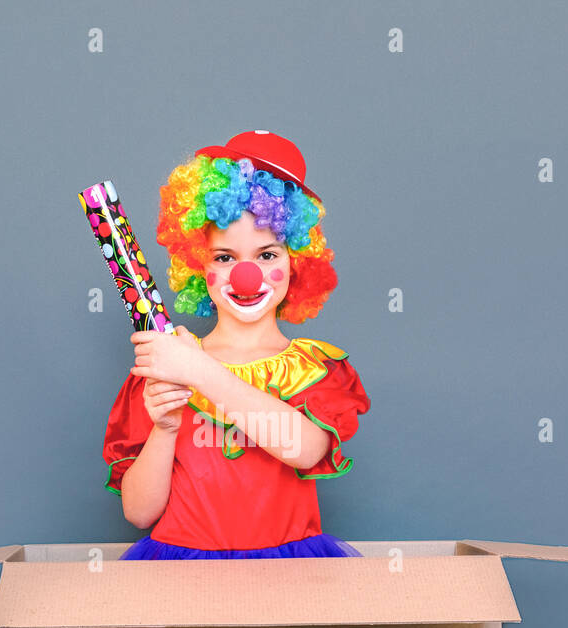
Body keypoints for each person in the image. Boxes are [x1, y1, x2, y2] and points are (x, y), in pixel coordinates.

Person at [102, 130, 370, 559]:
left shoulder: (316, 369)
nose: (247, 275)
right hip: (183, 570)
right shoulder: (164, 368)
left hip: (288, 570)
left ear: (296, 263)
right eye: (225, 257)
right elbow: (138, 511)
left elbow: (301, 450)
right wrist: (166, 427)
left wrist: (197, 370)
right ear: (198, 266)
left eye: (267, 255)